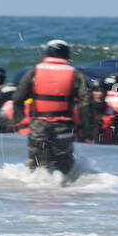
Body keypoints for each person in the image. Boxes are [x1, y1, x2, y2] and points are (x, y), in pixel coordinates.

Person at [9, 40, 89, 178]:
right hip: (63, 127)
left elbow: (17, 98)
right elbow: (86, 103)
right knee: (64, 169)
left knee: (37, 168)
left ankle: (37, 195)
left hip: (38, 127)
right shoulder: (75, 74)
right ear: (66, 54)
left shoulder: (34, 71)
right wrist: (88, 129)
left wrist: (19, 119)